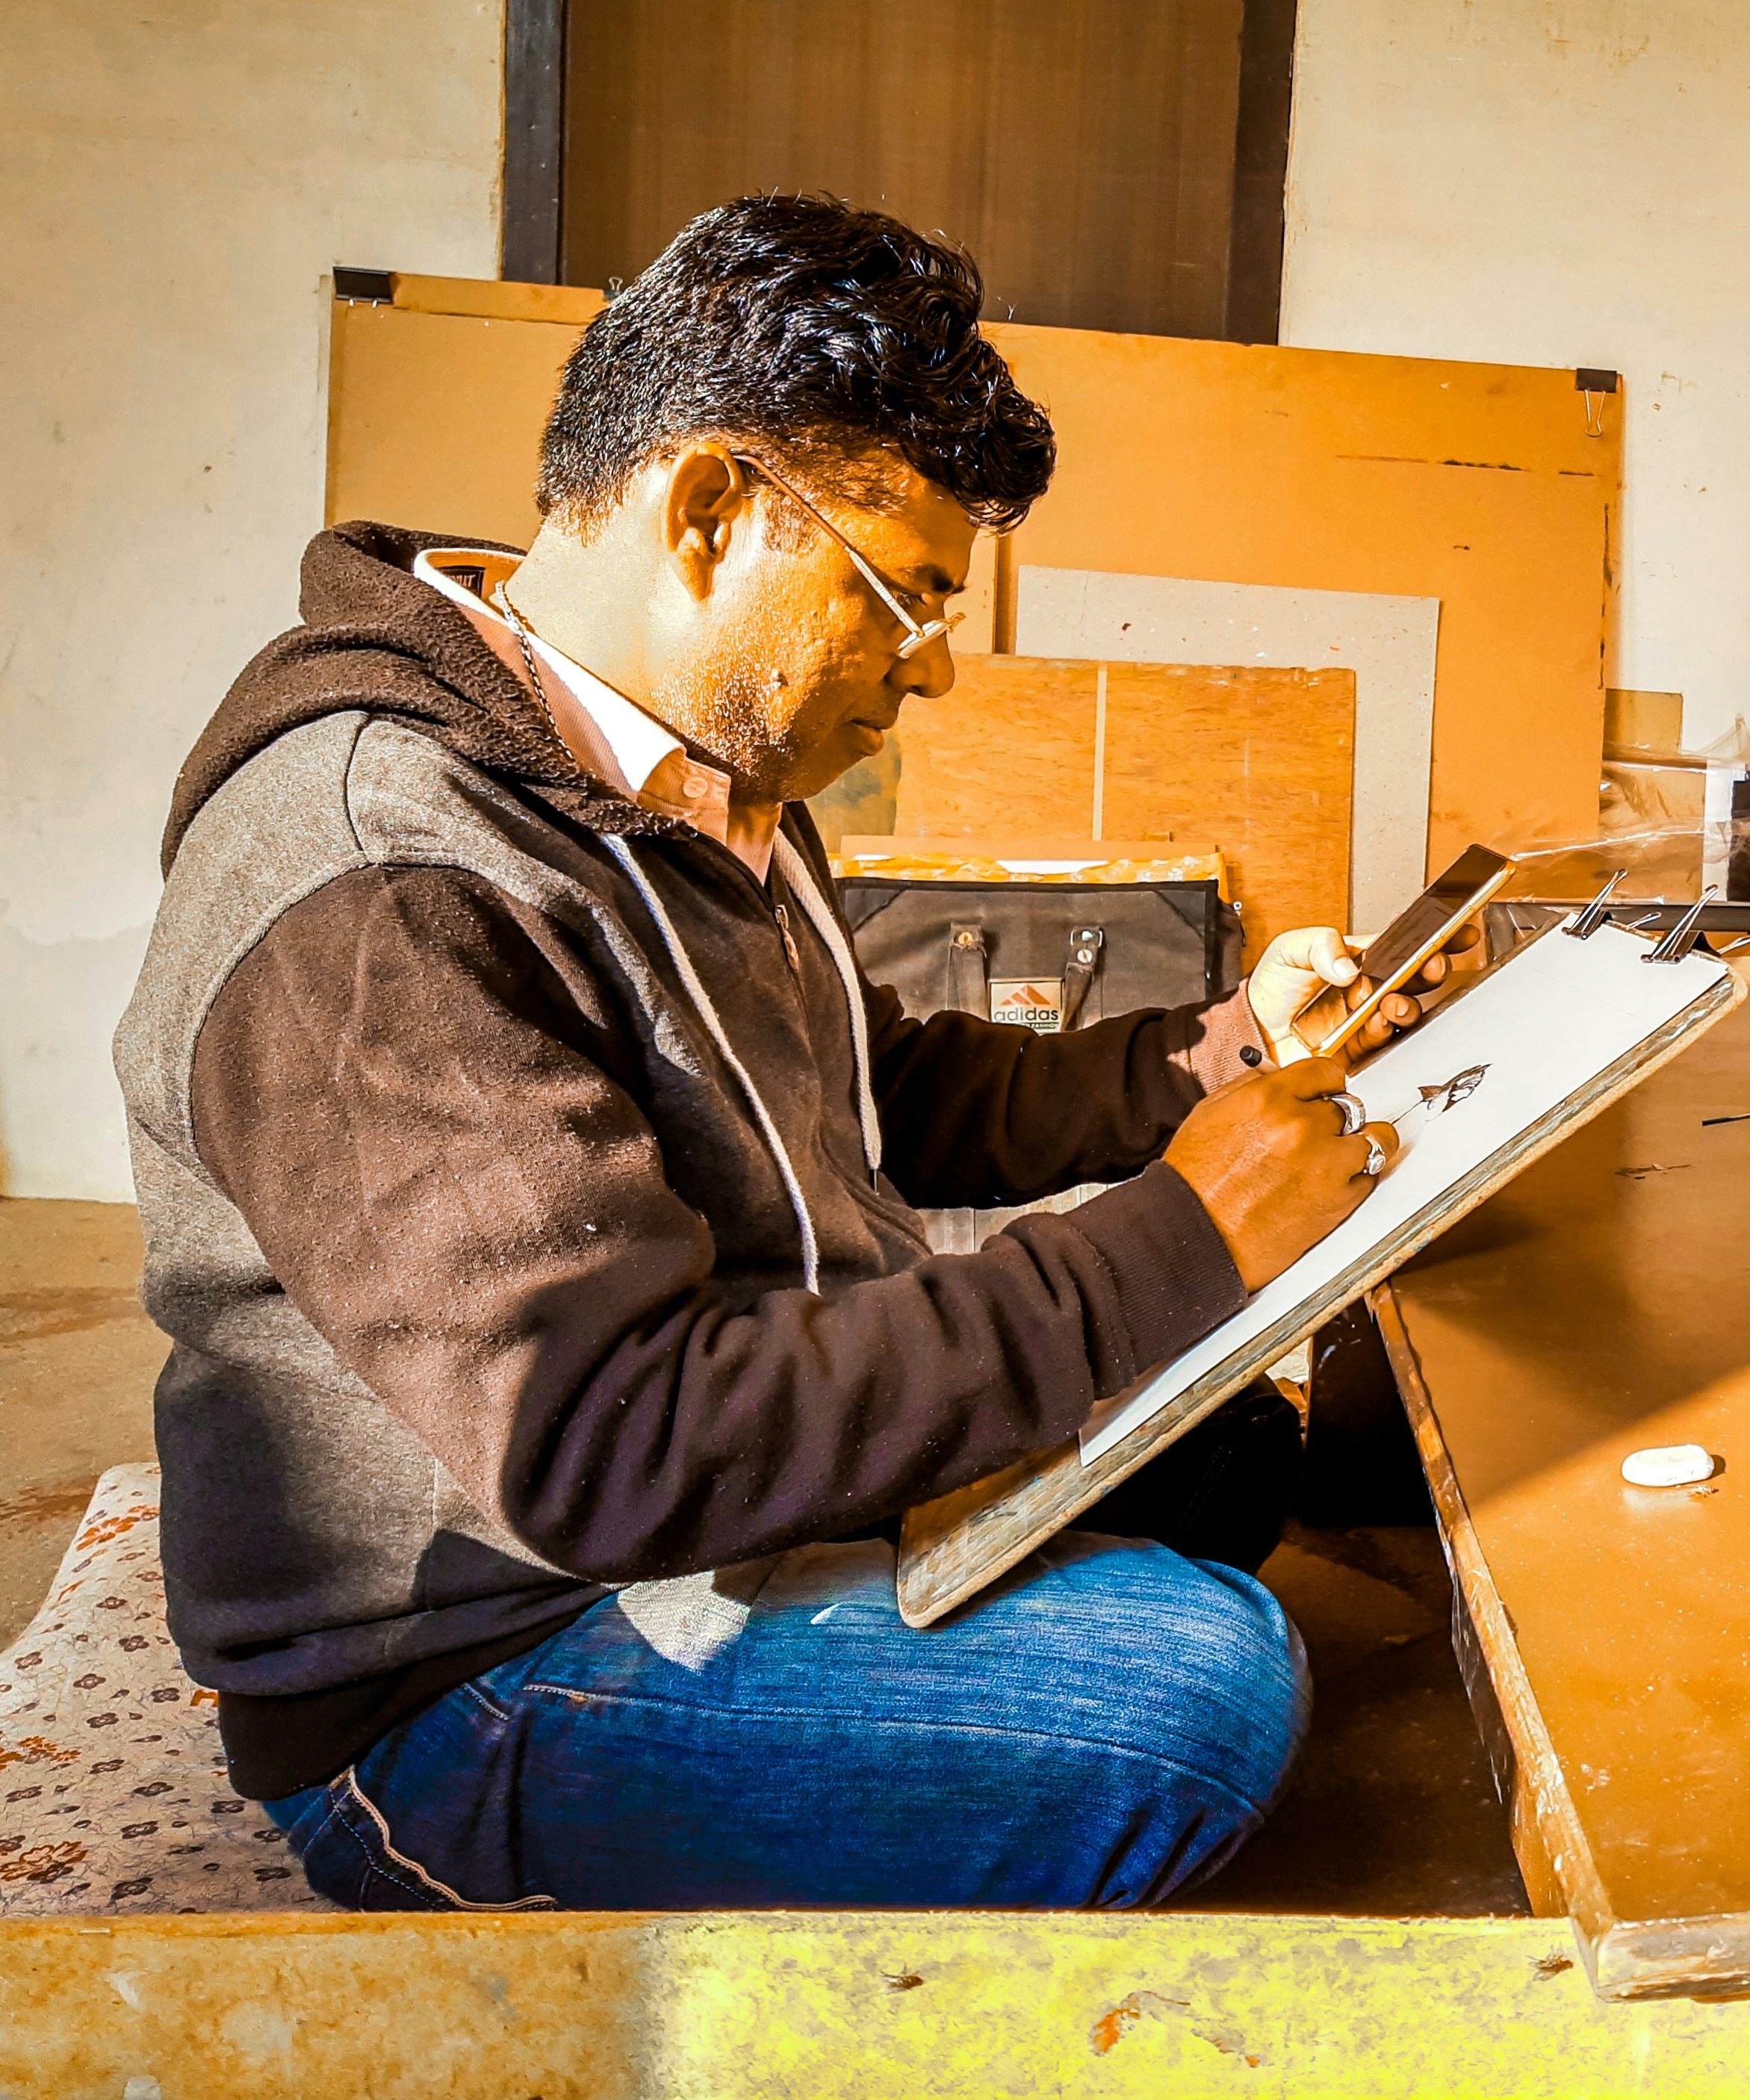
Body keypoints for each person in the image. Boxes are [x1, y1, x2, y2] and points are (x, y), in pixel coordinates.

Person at [112, 196, 1463, 1914]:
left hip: (697, 1505)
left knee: (1217, 1455)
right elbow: (610, 1445)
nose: (937, 671)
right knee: (1195, 1694)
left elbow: (864, 1082)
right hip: (480, 1658)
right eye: (901, 598)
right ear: (706, 512)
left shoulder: (693, 776)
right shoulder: (373, 873)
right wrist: (1183, 1237)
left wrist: (1199, 1067)